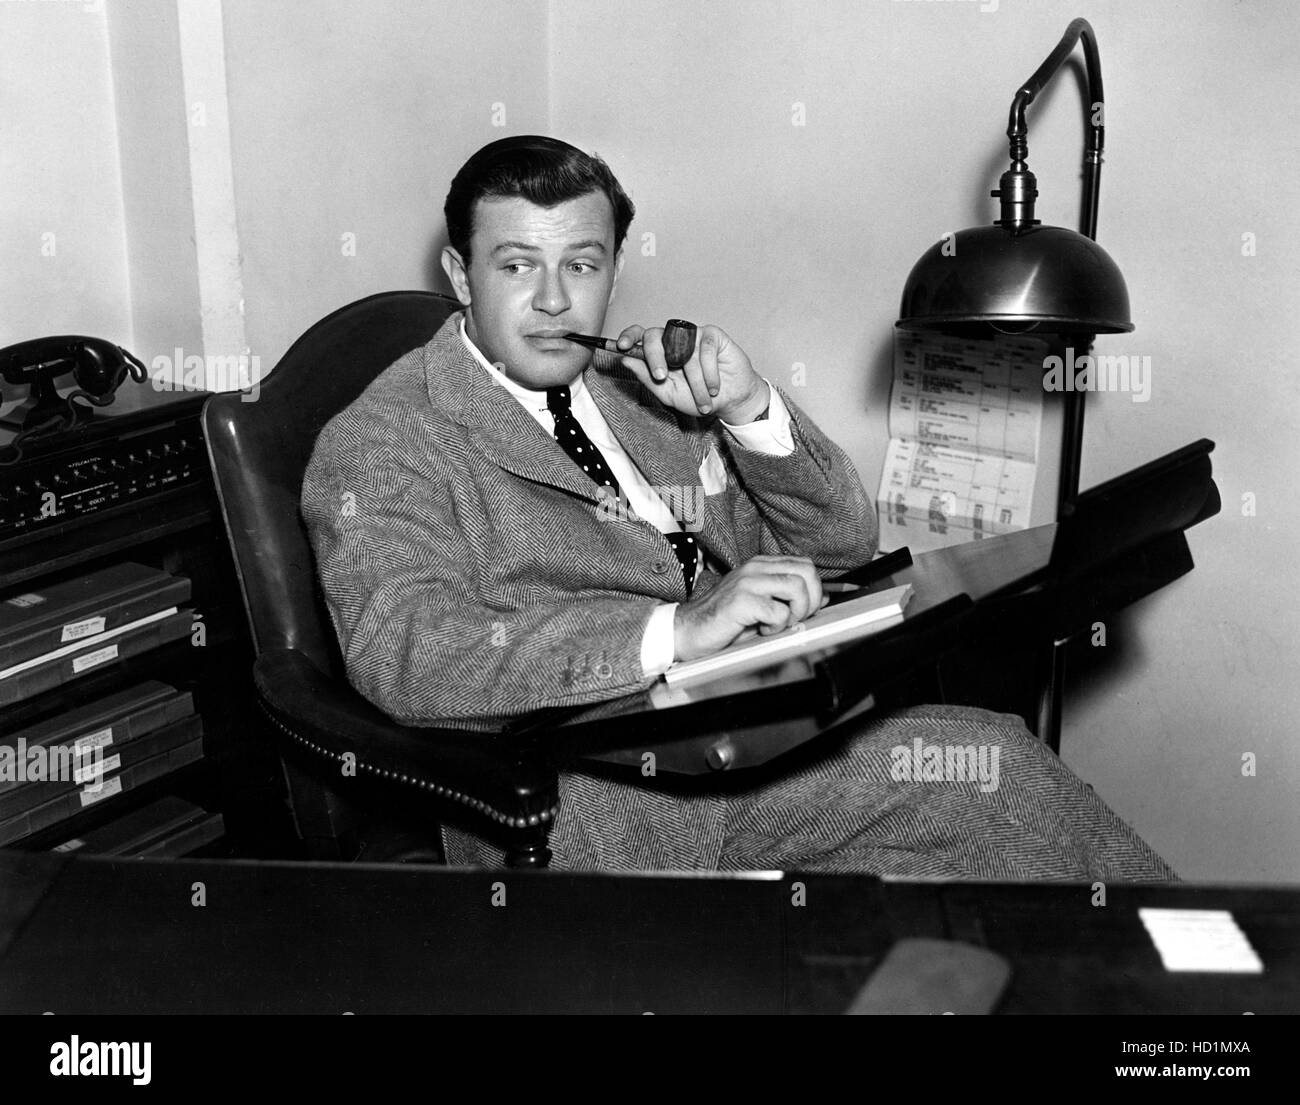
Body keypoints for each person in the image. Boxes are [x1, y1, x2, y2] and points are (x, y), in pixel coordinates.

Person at [300, 135, 1175, 880]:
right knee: (991, 787)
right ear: (461, 274)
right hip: (589, 796)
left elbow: (840, 543)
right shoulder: (383, 439)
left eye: (583, 263)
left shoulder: (638, 387)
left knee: (990, 766)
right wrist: (674, 631)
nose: (556, 300)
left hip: (748, 726)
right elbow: (407, 653)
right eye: (517, 265)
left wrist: (749, 409)